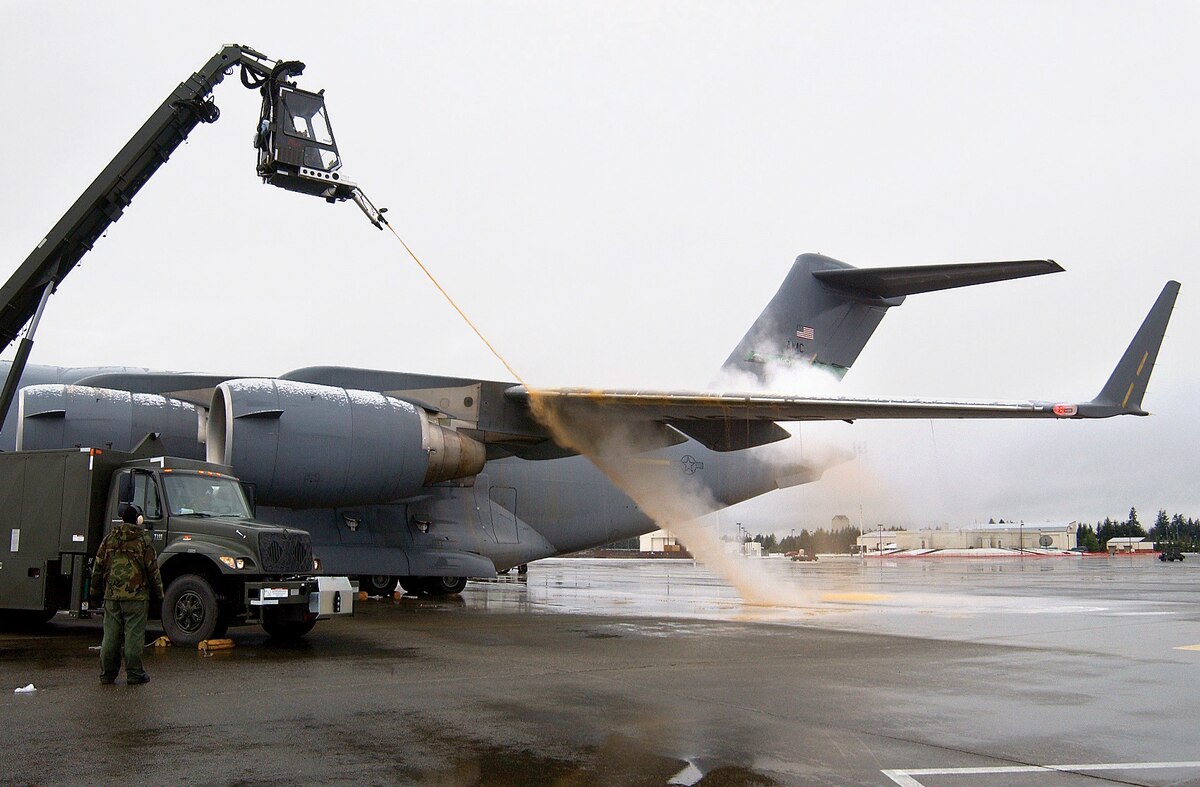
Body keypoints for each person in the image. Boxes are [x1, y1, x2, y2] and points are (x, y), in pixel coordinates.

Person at [89, 504, 164, 685]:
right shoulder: (144, 541)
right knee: (133, 637)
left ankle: (107, 674)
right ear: (138, 520)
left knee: (110, 636)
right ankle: (134, 673)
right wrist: (159, 596)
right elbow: (153, 571)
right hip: (137, 598)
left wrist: (94, 592)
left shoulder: (109, 539)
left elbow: (98, 567)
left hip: (112, 596)